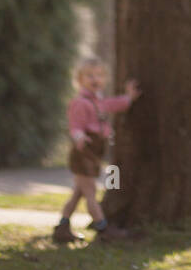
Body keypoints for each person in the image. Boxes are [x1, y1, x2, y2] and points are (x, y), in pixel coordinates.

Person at [53, 59, 140, 244]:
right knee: (90, 193)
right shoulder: (80, 103)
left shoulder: (99, 102)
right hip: (84, 152)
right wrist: (79, 137)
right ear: (80, 80)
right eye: (90, 76)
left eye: (99, 75)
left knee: (78, 193)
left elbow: (114, 104)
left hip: (95, 151)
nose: (95, 79)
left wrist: (129, 97)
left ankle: (62, 227)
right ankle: (103, 228)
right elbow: (75, 125)